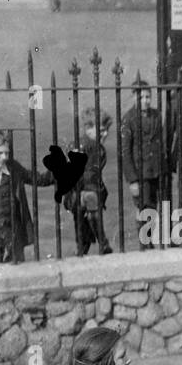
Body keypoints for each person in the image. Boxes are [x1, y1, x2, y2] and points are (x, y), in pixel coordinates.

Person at [0, 129, 54, 263]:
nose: (4, 157)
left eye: (6, 153)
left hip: (13, 230)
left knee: (16, 264)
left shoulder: (13, 167)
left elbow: (39, 179)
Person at [120, 79, 169, 242]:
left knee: (154, 208)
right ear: (134, 97)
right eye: (142, 97)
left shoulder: (156, 114)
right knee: (143, 208)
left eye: (148, 97)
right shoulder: (128, 119)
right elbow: (125, 153)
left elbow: (160, 142)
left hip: (156, 171)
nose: (146, 101)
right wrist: (132, 180)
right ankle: (144, 243)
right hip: (140, 174)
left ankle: (149, 241)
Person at [65, 108, 114, 256]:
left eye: (106, 130)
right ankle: (103, 243)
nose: (105, 134)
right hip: (82, 194)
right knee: (85, 228)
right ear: (88, 128)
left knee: (82, 237)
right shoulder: (91, 147)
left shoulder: (91, 146)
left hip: (78, 195)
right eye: (101, 130)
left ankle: (86, 250)